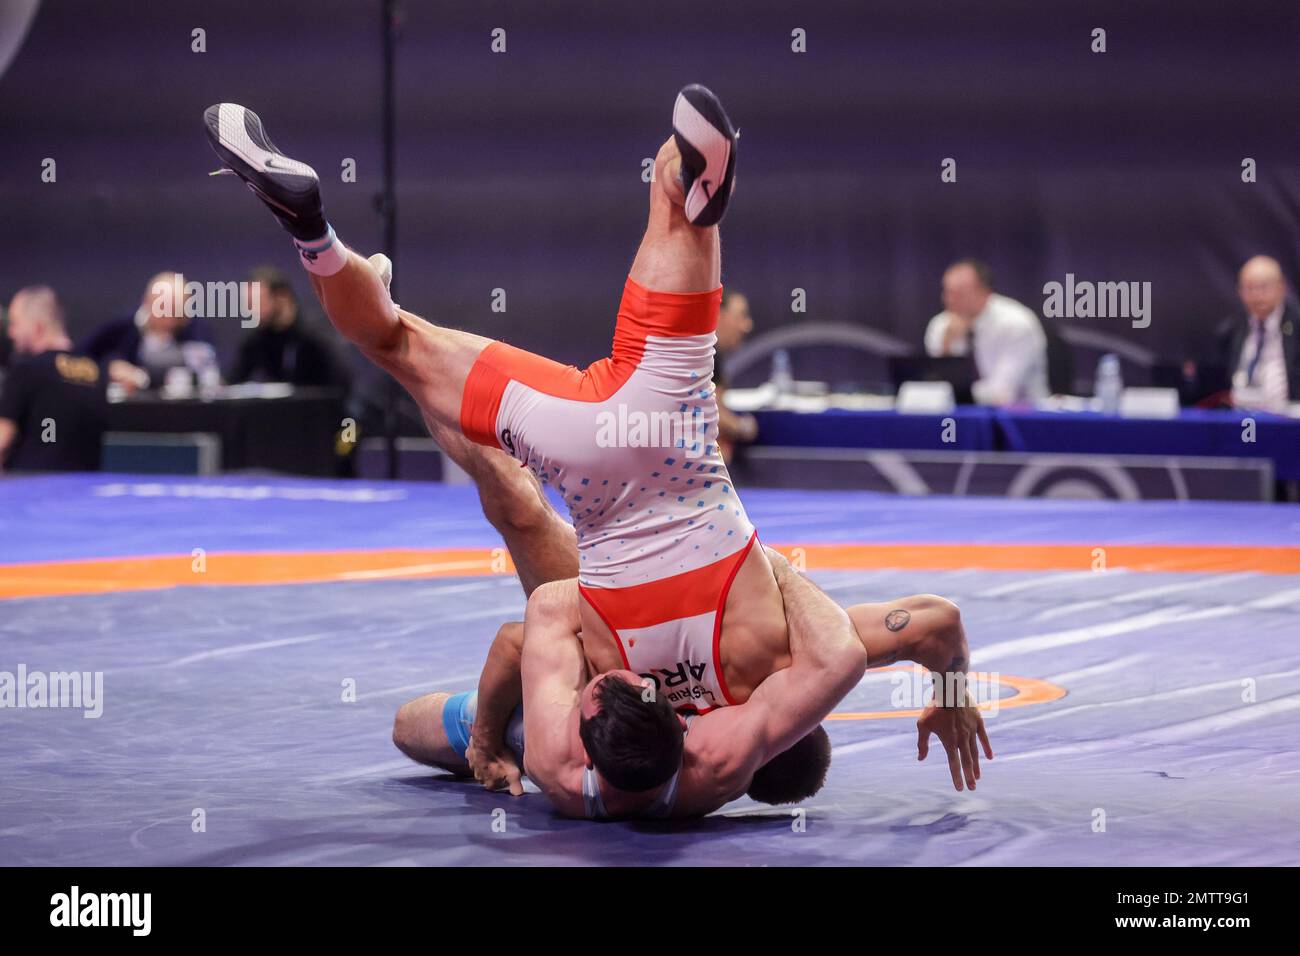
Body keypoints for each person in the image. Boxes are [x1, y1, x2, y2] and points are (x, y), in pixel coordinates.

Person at [206, 86, 990, 819]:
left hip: (672, 428)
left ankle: (690, 179)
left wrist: (780, 576)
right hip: (578, 456)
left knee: (678, 207)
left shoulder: (780, 659)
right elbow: (543, 614)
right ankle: (312, 232)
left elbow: (922, 626)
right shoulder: (591, 756)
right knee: (392, 342)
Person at [0, 286, 107, 472]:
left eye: (15, 324)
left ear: (38, 327)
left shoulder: (27, 370)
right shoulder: (95, 370)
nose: (11, 333)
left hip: (31, 488)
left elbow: (3, 439)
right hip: (85, 490)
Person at [923, 260, 1048, 406]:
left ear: (985, 293)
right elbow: (936, 388)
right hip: (959, 418)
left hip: (1022, 419)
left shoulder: (1017, 324)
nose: (949, 300)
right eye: (947, 292)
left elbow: (1001, 394)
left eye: (959, 294)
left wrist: (955, 393)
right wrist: (946, 348)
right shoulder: (940, 326)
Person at [79, 272, 218, 393]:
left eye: (177, 312)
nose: (169, 320)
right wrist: (108, 370)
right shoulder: (122, 328)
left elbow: (208, 374)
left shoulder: (196, 330)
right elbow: (81, 358)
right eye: (163, 309)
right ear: (146, 302)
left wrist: (142, 378)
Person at [228, 266, 349, 388]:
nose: (250, 310)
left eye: (256, 302)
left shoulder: (317, 337)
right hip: (282, 407)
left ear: (281, 297)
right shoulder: (256, 341)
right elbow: (231, 381)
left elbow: (341, 383)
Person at [1220, 255, 1299, 414]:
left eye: (1264, 287)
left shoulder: (1297, 325)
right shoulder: (1231, 329)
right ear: (1240, 291)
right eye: (1249, 288)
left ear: (1281, 287)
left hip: (1290, 421)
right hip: (1240, 419)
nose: (1257, 296)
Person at [714, 288, 758, 461]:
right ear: (718, 315)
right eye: (740, 316)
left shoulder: (715, 355)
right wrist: (744, 427)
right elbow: (710, 413)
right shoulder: (705, 354)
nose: (747, 325)